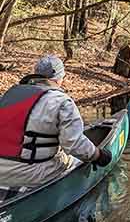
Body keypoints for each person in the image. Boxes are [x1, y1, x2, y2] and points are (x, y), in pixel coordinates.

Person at [0, 55, 112, 190]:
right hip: (30, 174)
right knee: (75, 160)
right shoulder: (62, 101)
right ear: (59, 79)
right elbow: (74, 144)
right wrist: (98, 155)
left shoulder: (9, 95)